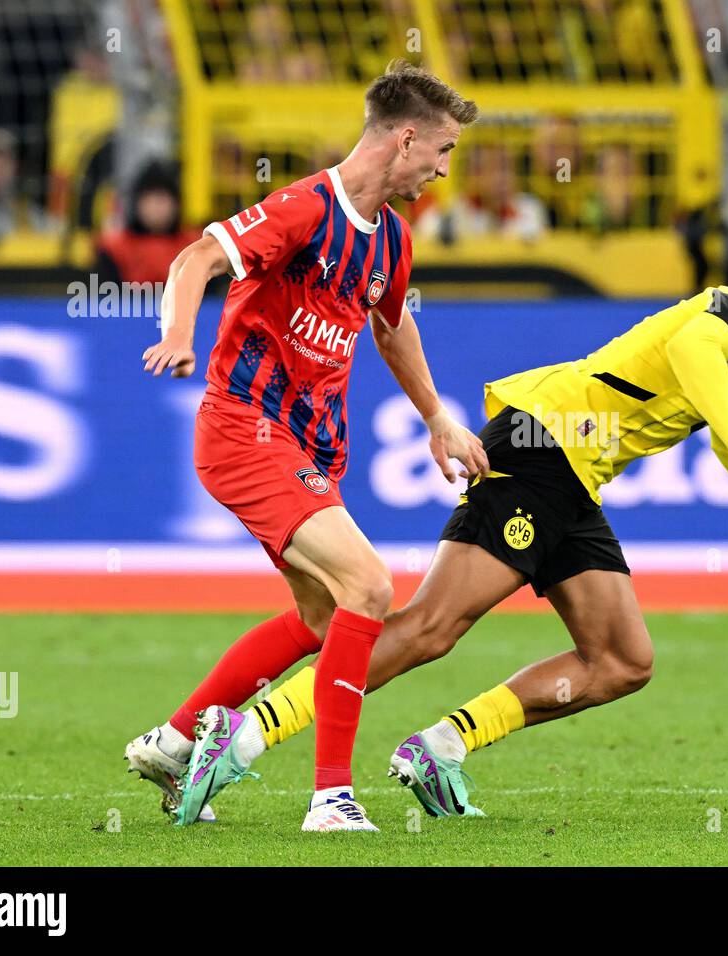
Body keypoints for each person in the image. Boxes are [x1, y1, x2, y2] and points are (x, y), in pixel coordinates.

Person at [174, 245, 728, 825]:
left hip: (575, 475)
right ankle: (239, 737)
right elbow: (699, 347)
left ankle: (441, 747)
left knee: (621, 660)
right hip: (541, 442)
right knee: (428, 627)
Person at [123, 60, 488, 833]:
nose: (444, 170)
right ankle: (331, 799)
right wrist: (179, 335)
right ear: (407, 137)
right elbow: (197, 260)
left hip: (313, 446)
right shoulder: (303, 208)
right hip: (246, 428)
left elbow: (391, 326)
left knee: (325, 618)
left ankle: (179, 737)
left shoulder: (391, 237)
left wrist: (436, 418)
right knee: (371, 585)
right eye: (444, 151)